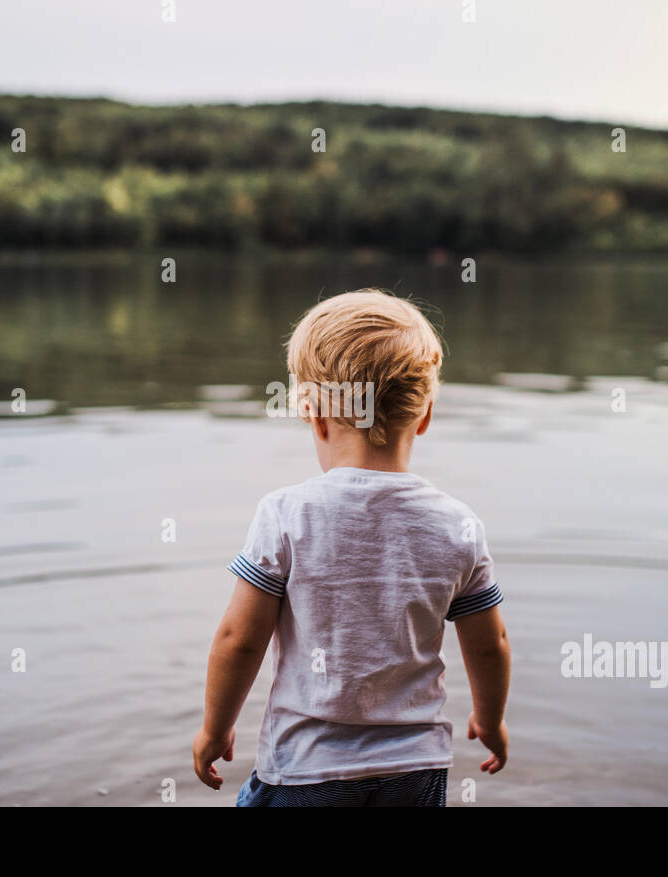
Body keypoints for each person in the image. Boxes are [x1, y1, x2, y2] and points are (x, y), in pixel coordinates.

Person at [192, 289, 511, 807]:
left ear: (315, 417)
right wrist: (490, 720)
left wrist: (214, 728)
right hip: (416, 768)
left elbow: (239, 640)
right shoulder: (458, 526)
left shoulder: (287, 514)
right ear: (426, 414)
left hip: (307, 769)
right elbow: (489, 643)